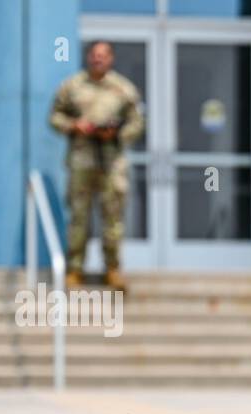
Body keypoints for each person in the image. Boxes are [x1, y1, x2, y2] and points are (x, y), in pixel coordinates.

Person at [49, 41, 145, 290]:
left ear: (111, 59)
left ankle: (112, 270)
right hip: (81, 160)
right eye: (94, 55)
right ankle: (74, 270)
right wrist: (74, 126)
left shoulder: (123, 88)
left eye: (103, 56)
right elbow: (55, 116)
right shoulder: (72, 86)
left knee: (112, 217)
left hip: (111, 161)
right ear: (88, 57)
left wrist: (116, 134)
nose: (97, 60)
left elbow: (137, 123)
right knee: (78, 216)